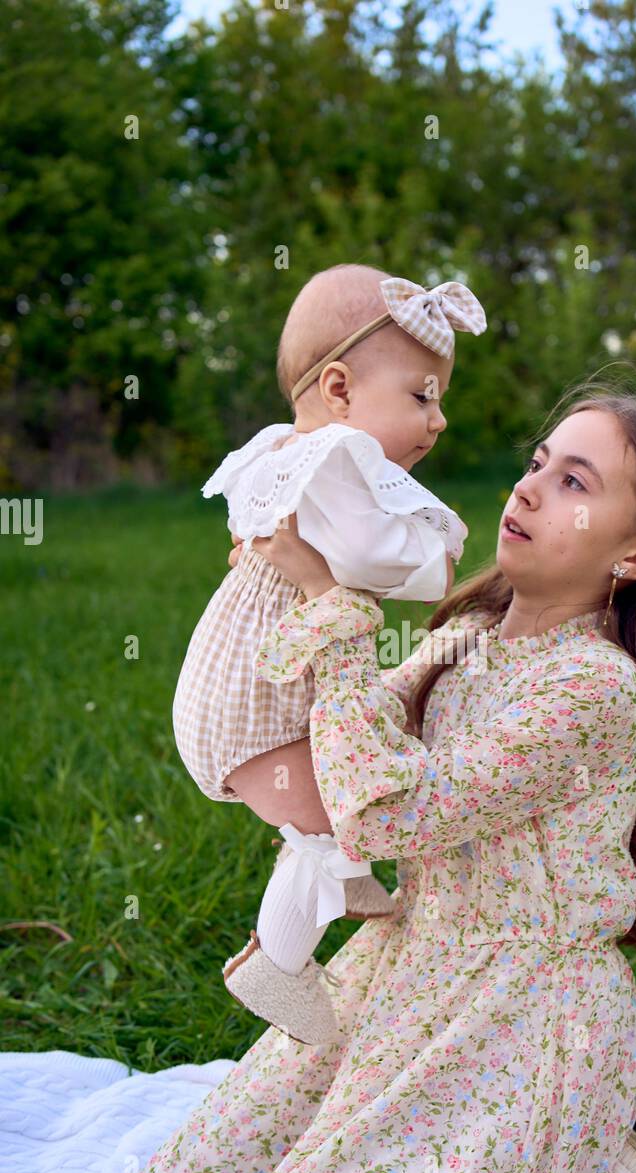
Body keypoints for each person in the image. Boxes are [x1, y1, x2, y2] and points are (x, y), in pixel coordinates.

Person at [130, 385, 636, 1173]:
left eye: (574, 482)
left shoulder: (596, 692)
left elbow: (385, 810)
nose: (526, 490)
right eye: (536, 463)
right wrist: (284, 580)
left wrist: (332, 606)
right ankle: (555, 1167)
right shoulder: (475, 636)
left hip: (516, 1008)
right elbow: (352, 735)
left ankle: (560, 1149)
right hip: (412, 962)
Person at [171, 264, 484, 1042]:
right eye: (422, 396)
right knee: (337, 815)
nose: (437, 421)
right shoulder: (338, 458)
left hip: (248, 684)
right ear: (339, 391)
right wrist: (441, 560)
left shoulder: (288, 448)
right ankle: (277, 964)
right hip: (256, 701)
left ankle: (346, 882)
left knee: (337, 797)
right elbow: (372, 554)